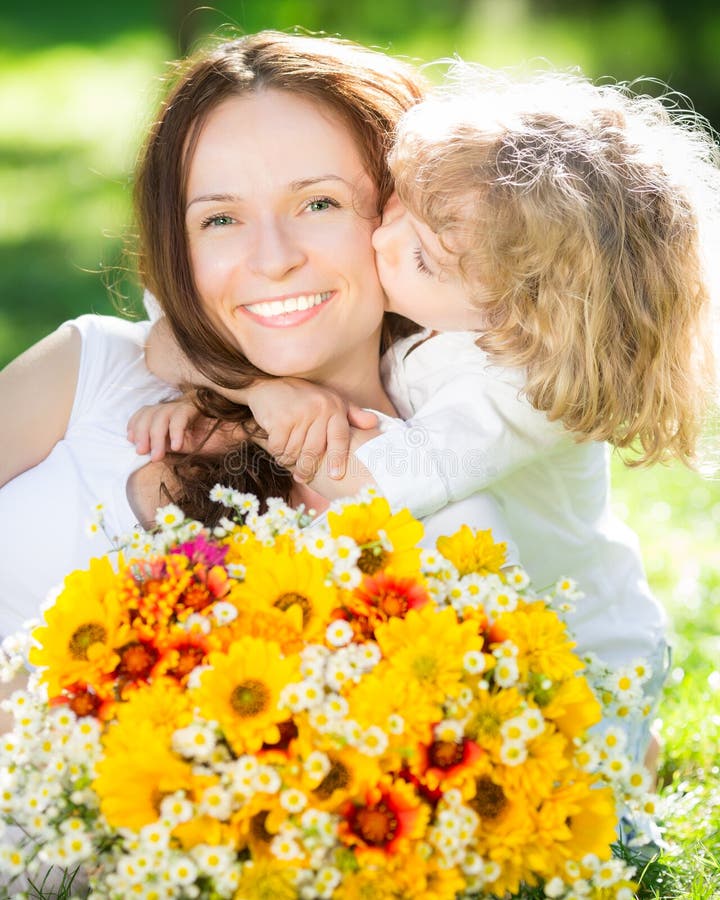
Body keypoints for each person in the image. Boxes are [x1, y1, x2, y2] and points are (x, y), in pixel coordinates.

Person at [139, 65, 720, 766]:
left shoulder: (519, 395)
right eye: (398, 207)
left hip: (581, 663)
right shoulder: (436, 316)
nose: (380, 244)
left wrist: (254, 413)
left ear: (516, 307)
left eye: (419, 255)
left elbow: (376, 481)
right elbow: (168, 334)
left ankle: (634, 757)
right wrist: (262, 389)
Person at [0, 34, 520, 646]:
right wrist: (255, 390)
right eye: (219, 219)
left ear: (409, 214)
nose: (273, 260)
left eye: (318, 203)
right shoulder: (94, 367)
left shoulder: (441, 514)